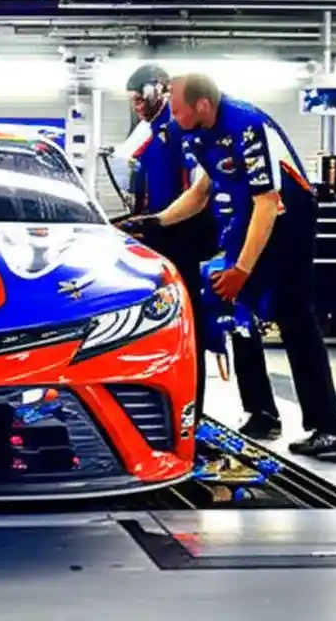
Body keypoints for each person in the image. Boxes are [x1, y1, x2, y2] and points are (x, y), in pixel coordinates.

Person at [129, 73, 336, 456]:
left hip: (288, 215)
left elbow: (269, 202)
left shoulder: (246, 125)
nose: (173, 120)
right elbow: (201, 191)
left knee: (294, 316)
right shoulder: (197, 131)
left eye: (177, 111)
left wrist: (241, 271)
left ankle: (327, 427)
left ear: (203, 105)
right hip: (246, 214)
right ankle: (262, 412)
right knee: (238, 315)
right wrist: (157, 221)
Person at [114, 66, 280, 436]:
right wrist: (148, 222)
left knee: (231, 321)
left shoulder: (191, 129)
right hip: (167, 234)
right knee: (186, 329)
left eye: (143, 98)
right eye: (134, 102)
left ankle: (257, 411)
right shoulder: (158, 134)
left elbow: (204, 189)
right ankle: (188, 411)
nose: (139, 107)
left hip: (198, 238)